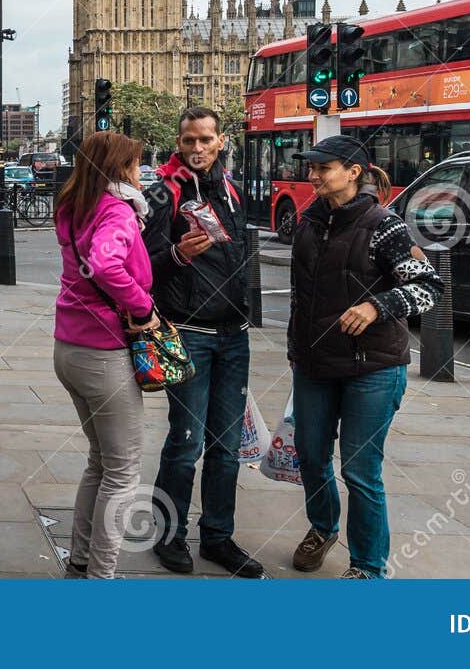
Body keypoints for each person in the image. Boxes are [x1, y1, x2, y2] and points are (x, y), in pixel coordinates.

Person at [288, 135, 442, 579]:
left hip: (372, 368)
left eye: (323, 168)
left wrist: (378, 306)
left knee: (359, 469)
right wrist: (296, 348)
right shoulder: (309, 222)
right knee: (310, 456)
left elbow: (428, 287)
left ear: (353, 172)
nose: (313, 176)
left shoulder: (384, 226)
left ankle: (367, 567)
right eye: (311, 168)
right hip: (315, 364)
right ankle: (323, 528)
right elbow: (302, 295)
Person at [144, 107, 264, 577]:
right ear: (178, 142)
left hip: (234, 337)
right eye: (189, 140)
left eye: (206, 139)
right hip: (189, 334)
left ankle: (217, 536)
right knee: (185, 442)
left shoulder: (232, 190)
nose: (197, 148)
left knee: (227, 447)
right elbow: (142, 264)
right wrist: (176, 254)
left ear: (220, 141)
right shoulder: (163, 193)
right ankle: (168, 536)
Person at [52, 130, 157, 579]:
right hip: (103, 353)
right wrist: (143, 307)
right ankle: (101, 576)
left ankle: (80, 560)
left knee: (100, 460)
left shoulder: (75, 207)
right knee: (122, 471)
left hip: (69, 348)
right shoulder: (116, 210)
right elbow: (105, 263)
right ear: (118, 168)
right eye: (134, 164)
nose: (139, 172)